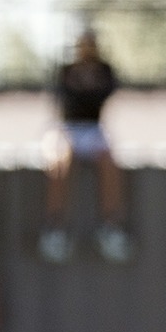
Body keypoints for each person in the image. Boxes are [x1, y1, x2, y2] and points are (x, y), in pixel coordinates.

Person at [38, 30, 134, 264]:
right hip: (69, 128)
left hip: (93, 128)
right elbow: (67, 99)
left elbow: (101, 96)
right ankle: (56, 225)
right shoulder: (66, 71)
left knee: (109, 161)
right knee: (61, 162)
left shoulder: (104, 70)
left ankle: (111, 224)